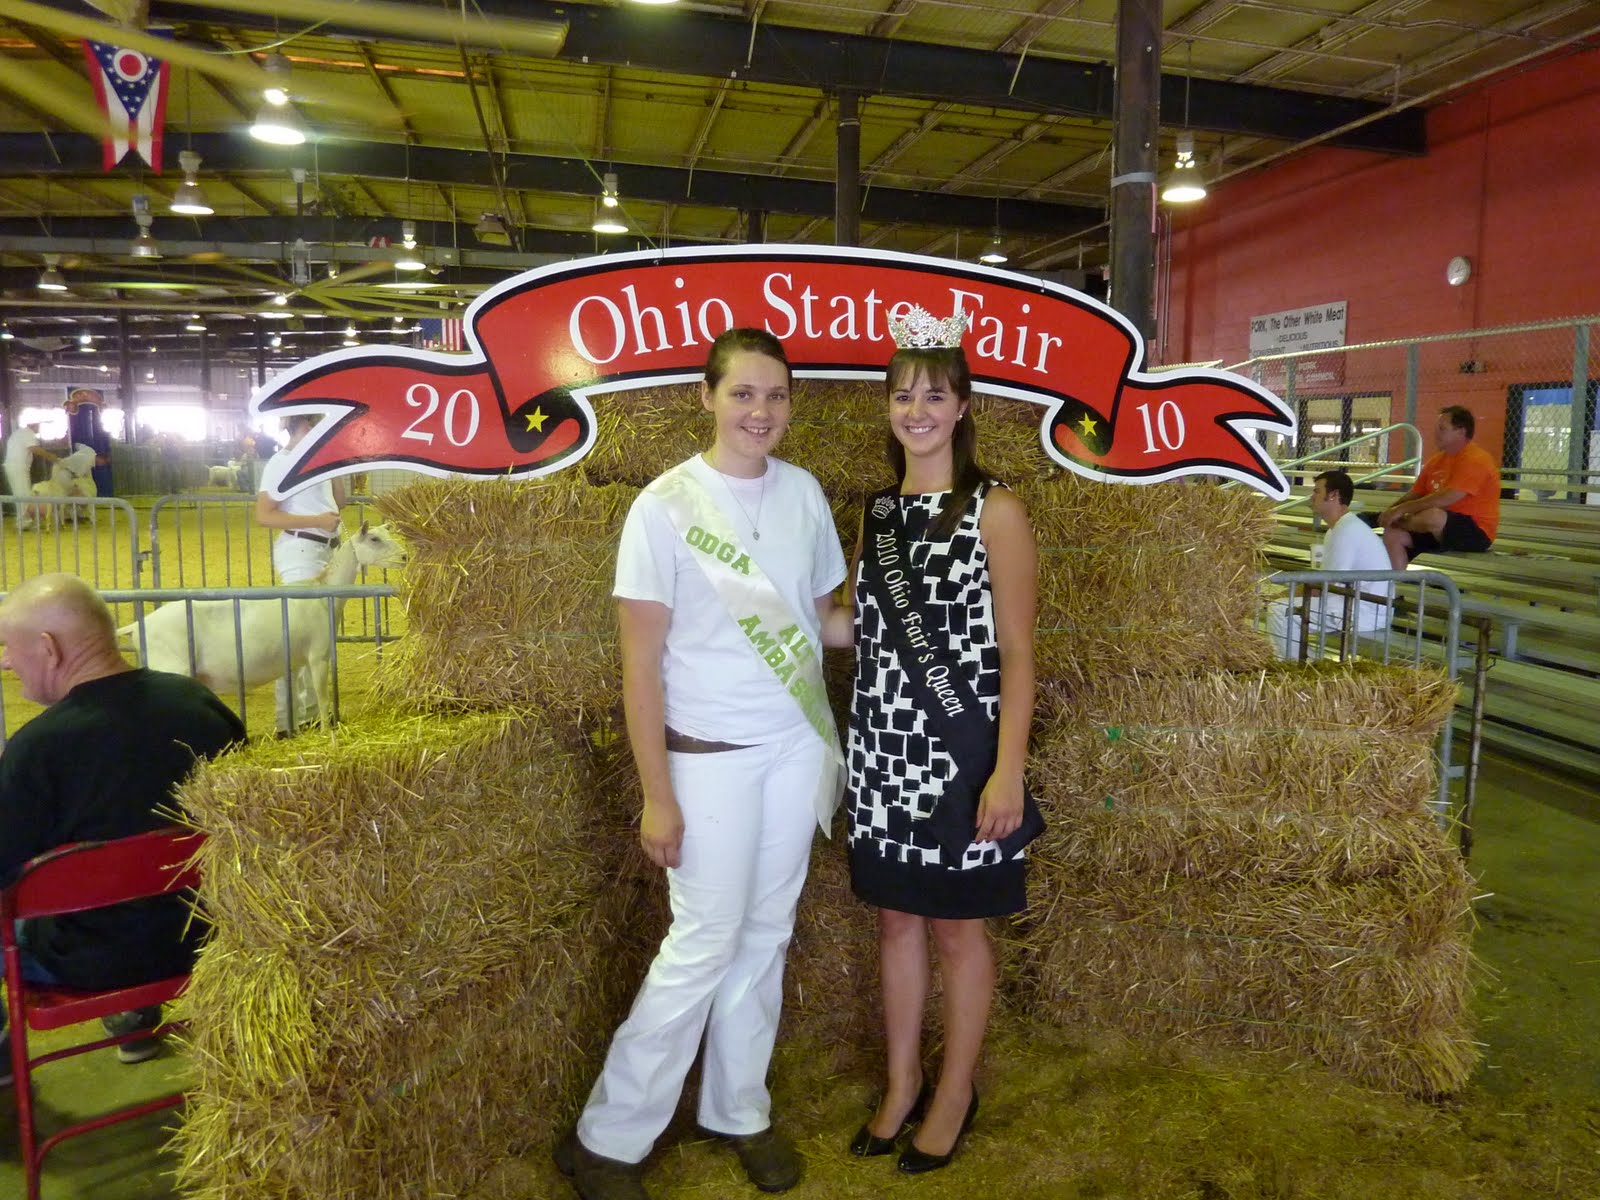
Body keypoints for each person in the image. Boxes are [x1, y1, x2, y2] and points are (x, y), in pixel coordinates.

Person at [558, 329, 848, 1200]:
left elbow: (823, 623)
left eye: (777, 396)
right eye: (744, 394)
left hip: (793, 748)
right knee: (702, 943)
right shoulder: (664, 506)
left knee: (766, 937)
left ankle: (739, 1110)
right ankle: (607, 1138)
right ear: (708, 396)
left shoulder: (804, 495)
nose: (762, 412)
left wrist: (918, 608)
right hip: (707, 758)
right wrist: (658, 795)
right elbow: (638, 663)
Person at [836, 313, 1038, 1175]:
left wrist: (1009, 775)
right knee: (895, 924)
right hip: (883, 754)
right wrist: (758, 605)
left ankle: (955, 1090)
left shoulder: (997, 512)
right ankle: (899, 1082)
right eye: (902, 394)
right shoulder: (877, 514)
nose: (916, 409)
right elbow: (859, 631)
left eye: (934, 393)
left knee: (958, 933)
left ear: (963, 406)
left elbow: (1021, 650)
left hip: (963, 759)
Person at [0, 574, 243, 1079]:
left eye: (8, 647)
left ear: (48, 649)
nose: (5, 661)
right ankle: (134, 1014)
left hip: (89, 960)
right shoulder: (199, 705)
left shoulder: (36, 750)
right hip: (216, 935)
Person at [255, 414, 348, 733]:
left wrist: (333, 466)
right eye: (314, 427)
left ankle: (312, 715)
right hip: (301, 552)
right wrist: (316, 522)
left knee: (318, 637)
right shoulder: (281, 462)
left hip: (328, 549)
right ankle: (288, 719)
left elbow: (340, 502)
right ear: (299, 427)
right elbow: (264, 515)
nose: (320, 433)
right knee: (297, 637)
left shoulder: (318, 460)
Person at [1268, 469, 1393, 659]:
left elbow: (1326, 583)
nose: (1312, 497)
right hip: (1353, 603)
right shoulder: (1338, 529)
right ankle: (1303, 664)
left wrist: (1287, 593)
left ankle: (1298, 669)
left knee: (1280, 609)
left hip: (1364, 611)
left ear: (1333, 495)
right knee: (1283, 606)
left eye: (1317, 491)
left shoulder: (1347, 530)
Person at [1374, 406, 1500, 570]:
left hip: (1476, 531)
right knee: (1393, 535)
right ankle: (1395, 589)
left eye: (1442, 429)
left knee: (1433, 516)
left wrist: (1401, 511)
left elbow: (1448, 497)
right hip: (1435, 529)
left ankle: (1401, 522)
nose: (1436, 433)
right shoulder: (1436, 461)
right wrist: (1391, 510)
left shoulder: (1476, 459)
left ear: (1461, 431)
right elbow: (1415, 493)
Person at [4, 422, 57, 527]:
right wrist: (50, 456)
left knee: (22, 493)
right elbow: (34, 449)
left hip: (15, 466)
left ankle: (25, 520)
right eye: (39, 426)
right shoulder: (28, 434)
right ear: (34, 425)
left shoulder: (19, 433)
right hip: (18, 467)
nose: (39, 429)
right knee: (22, 494)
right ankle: (23, 522)